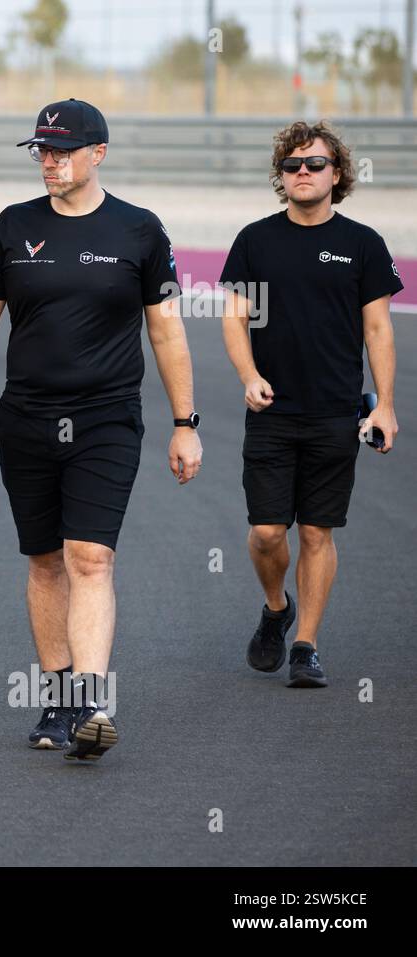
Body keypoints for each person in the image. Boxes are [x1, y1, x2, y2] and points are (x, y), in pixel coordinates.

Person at [0, 99, 202, 760]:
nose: (51, 161)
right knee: (46, 559)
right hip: (25, 417)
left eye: (63, 150)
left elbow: (166, 330)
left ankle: (91, 700)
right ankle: (56, 696)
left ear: (98, 152)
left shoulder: (139, 230)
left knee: (91, 556)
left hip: (107, 417)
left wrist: (185, 422)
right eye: (42, 150)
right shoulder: (14, 226)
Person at [220, 120, 402, 688]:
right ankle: (277, 608)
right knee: (268, 532)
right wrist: (248, 375)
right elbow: (234, 318)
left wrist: (385, 406)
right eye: (292, 165)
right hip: (272, 413)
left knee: (318, 533)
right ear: (281, 175)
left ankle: (306, 646)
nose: (303, 172)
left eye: (315, 164)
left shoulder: (362, 245)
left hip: (336, 414)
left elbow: (379, 330)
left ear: (337, 173)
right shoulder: (256, 240)